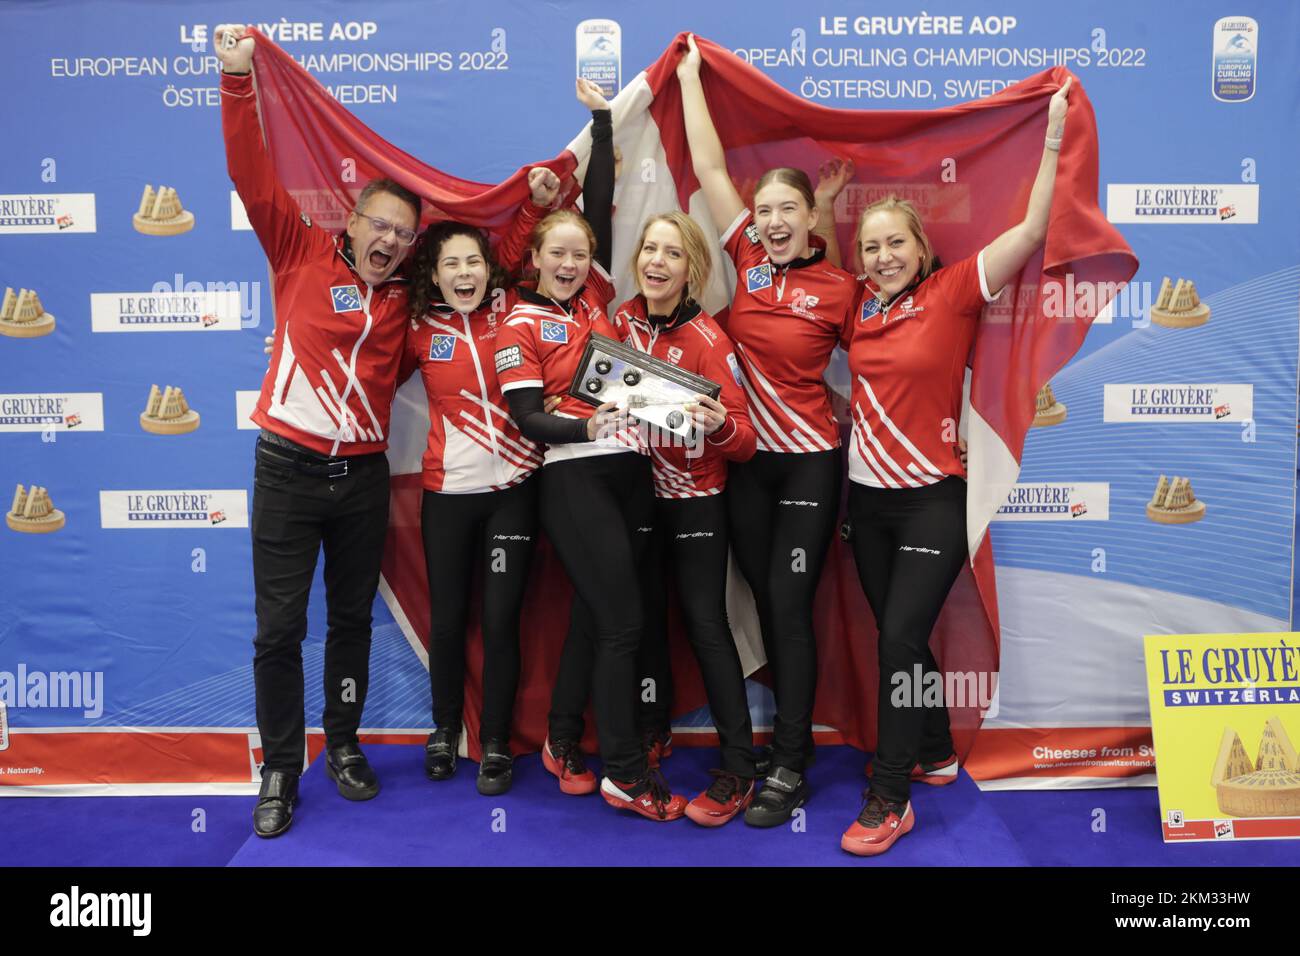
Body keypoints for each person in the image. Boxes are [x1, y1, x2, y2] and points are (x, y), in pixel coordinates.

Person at [822, 80, 1073, 856]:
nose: (883, 256)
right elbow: (810, 275)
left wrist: (1055, 135)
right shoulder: (856, 305)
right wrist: (831, 212)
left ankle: (890, 796)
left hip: (933, 497)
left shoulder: (954, 290)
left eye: (895, 242)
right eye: (870, 247)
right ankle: (932, 748)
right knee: (902, 640)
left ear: (921, 248)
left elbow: (1032, 231)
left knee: (898, 641)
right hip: (863, 502)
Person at [216, 24, 421, 838]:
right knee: (279, 629)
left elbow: (487, 263)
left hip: (362, 478)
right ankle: (277, 769)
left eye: (404, 237)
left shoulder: (407, 301)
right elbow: (249, 170)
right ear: (353, 219)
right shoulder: (298, 250)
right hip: (287, 469)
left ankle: (342, 745)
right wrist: (237, 80)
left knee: (349, 622)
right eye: (380, 226)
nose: (389, 243)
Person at [495, 80, 689, 822]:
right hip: (574, 479)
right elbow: (526, 421)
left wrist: (604, 123)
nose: (573, 263)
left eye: (581, 253)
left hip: (634, 474)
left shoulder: (599, 299)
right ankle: (625, 773)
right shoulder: (517, 322)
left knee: (597, 615)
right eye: (560, 253)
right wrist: (587, 427)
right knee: (622, 624)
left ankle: (561, 740)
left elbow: (600, 197)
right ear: (537, 258)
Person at [676, 35, 858, 826]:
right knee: (766, 601)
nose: (775, 220)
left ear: (813, 216)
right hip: (746, 464)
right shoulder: (746, 251)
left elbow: (888, 358)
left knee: (788, 604)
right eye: (768, 209)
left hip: (812, 466)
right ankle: (790, 744)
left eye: (791, 209)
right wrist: (689, 77)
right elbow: (712, 169)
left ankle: (788, 765)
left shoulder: (842, 286)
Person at [404, 168, 561, 796]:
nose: (464, 273)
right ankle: (445, 730)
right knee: (448, 620)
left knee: (500, 621)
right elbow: (368, 373)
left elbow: (525, 236)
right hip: (447, 495)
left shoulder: (514, 310)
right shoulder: (416, 327)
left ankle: (495, 739)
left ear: (488, 269)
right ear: (434, 275)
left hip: (515, 494)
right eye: (451, 265)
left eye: (474, 261)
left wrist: (535, 197)